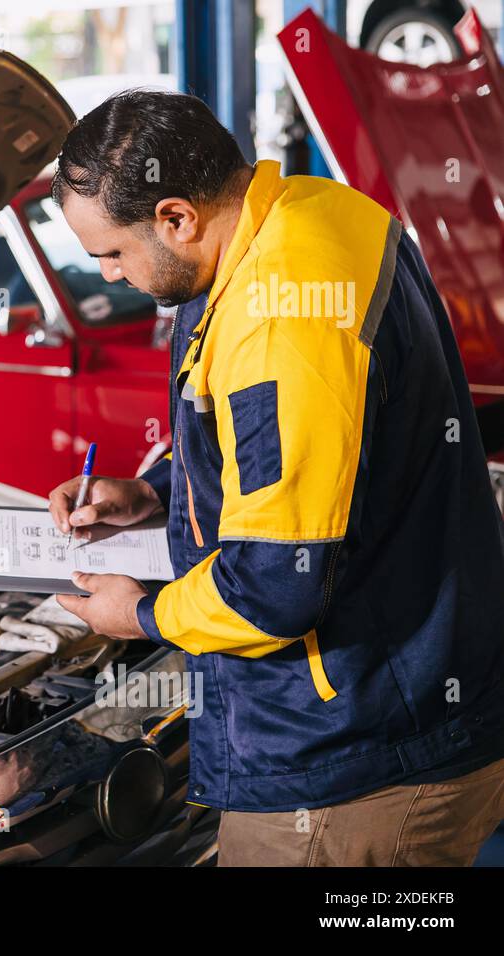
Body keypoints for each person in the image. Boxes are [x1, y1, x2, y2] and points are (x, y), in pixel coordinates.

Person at [47, 90, 504, 866]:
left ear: (176, 217)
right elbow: (308, 450)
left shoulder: (277, 321)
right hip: (416, 700)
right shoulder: (306, 215)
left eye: (111, 252)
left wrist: (144, 615)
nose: (109, 273)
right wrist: (158, 491)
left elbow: (276, 588)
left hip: (351, 766)